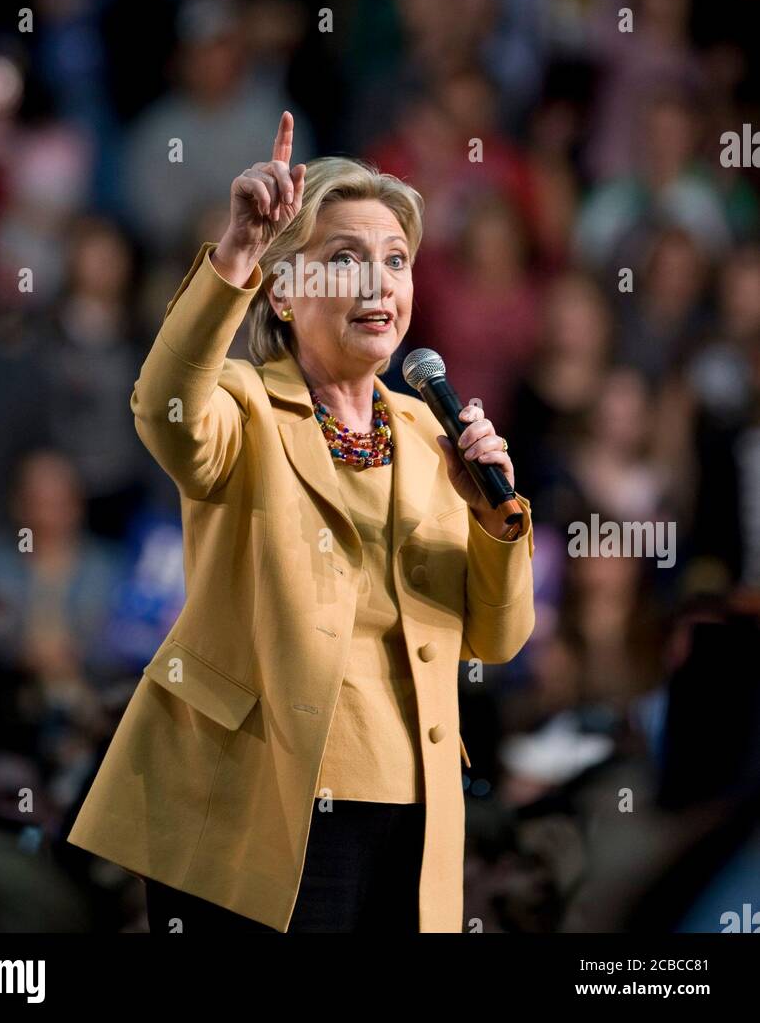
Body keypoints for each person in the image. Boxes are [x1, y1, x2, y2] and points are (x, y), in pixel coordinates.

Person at [67, 111, 535, 933]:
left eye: (396, 261)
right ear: (285, 291)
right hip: (250, 801)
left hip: (410, 806)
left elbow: (494, 642)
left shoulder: (434, 436)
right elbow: (165, 413)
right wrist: (239, 251)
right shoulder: (245, 404)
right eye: (345, 259)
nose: (378, 283)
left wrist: (497, 526)